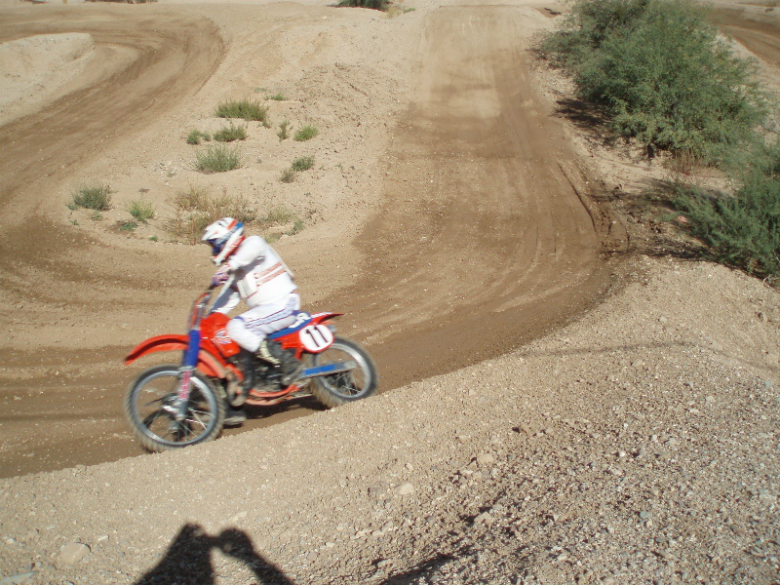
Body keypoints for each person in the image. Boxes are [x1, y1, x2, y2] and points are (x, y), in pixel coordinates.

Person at [201, 217, 304, 422]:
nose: (214, 249)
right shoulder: (237, 272)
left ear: (228, 238)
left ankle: (289, 363)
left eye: (215, 243)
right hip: (268, 311)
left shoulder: (253, 244)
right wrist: (209, 317)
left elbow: (253, 249)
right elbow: (226, 300)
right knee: (230, 344)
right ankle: (235, 402)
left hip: (284, 304)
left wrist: (229, 266)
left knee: (236, 327)